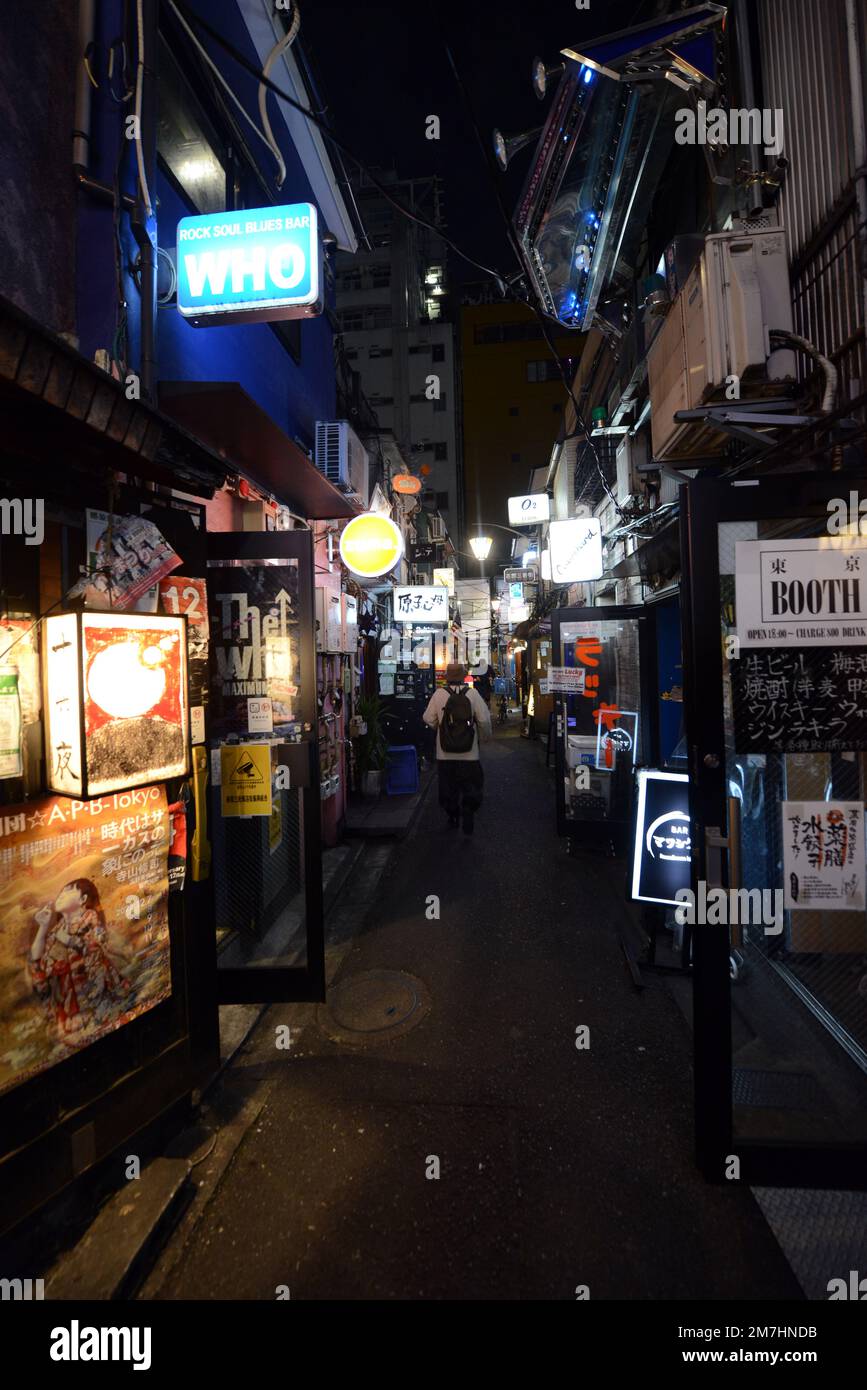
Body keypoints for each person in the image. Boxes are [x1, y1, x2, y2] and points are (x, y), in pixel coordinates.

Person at [423, 662, 492, 834]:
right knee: (471, 786)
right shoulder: (473, 694)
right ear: (463, 676)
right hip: (469, 754)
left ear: (447, 678)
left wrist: (441, 728)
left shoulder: (439, 695)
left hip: (445, 754)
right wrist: (485, 737)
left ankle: (452, 815)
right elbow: (484, 720)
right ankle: (468, 810)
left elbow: (428, 719)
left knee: (448, 788)